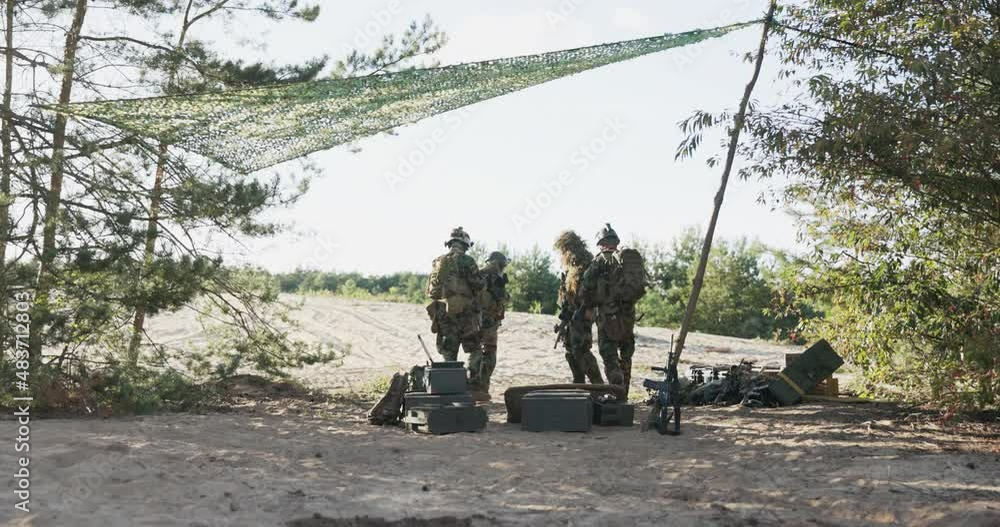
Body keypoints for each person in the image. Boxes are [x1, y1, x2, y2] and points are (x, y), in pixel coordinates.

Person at [577, 223, 647, 396]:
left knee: (610, 358)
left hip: (608, 318)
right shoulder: (626, 259)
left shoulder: (600, 260)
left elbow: (585, 288)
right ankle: (624, 395)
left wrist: (587, 305)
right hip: (628, 317)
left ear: (601, 243)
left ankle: (616, 396)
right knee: (626, 357)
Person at [426, 227, 485, 387]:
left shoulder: (437, 261)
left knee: (449, 353)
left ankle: (450, 386)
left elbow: (431, 290)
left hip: (444, 313)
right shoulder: (467, 261)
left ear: (449, 243)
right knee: (474, 349)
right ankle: (471, 384)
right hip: (465, 313)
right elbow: (478, 284)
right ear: (465, 245)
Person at [553, 231, 604, 384]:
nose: (561, 254)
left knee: (581, 350)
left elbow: (588, 289)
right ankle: (579, 382)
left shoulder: (584, 261)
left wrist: (587, 309)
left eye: (562, 250)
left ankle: (598, 384)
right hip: (573, 313)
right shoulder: (573, 264)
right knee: (570, 350)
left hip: (582, 312)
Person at [474, 251, 510, 398]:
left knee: (475, 354)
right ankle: (481, 388)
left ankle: (473, 385)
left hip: (474, 320)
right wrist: (508, 296)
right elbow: (502, 296)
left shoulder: (479, 274)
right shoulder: (496, 277)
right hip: (488, 322)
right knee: (489, 355)